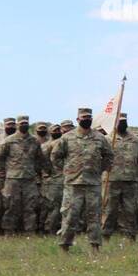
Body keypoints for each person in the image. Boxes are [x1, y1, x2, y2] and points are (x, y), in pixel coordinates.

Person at [50, 107, 113, 252]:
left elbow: (109, 156)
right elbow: (55, 156)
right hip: (73, 184)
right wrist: (66, 170)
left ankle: (95, 246)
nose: (87, 120)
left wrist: (100, 169)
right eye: (84, 118)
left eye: (89, 118)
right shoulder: (67, 138)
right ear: (78, 120)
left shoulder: (99, 137)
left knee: (94, 217)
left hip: (93, 183)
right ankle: (65, 246)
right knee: (70, 216)